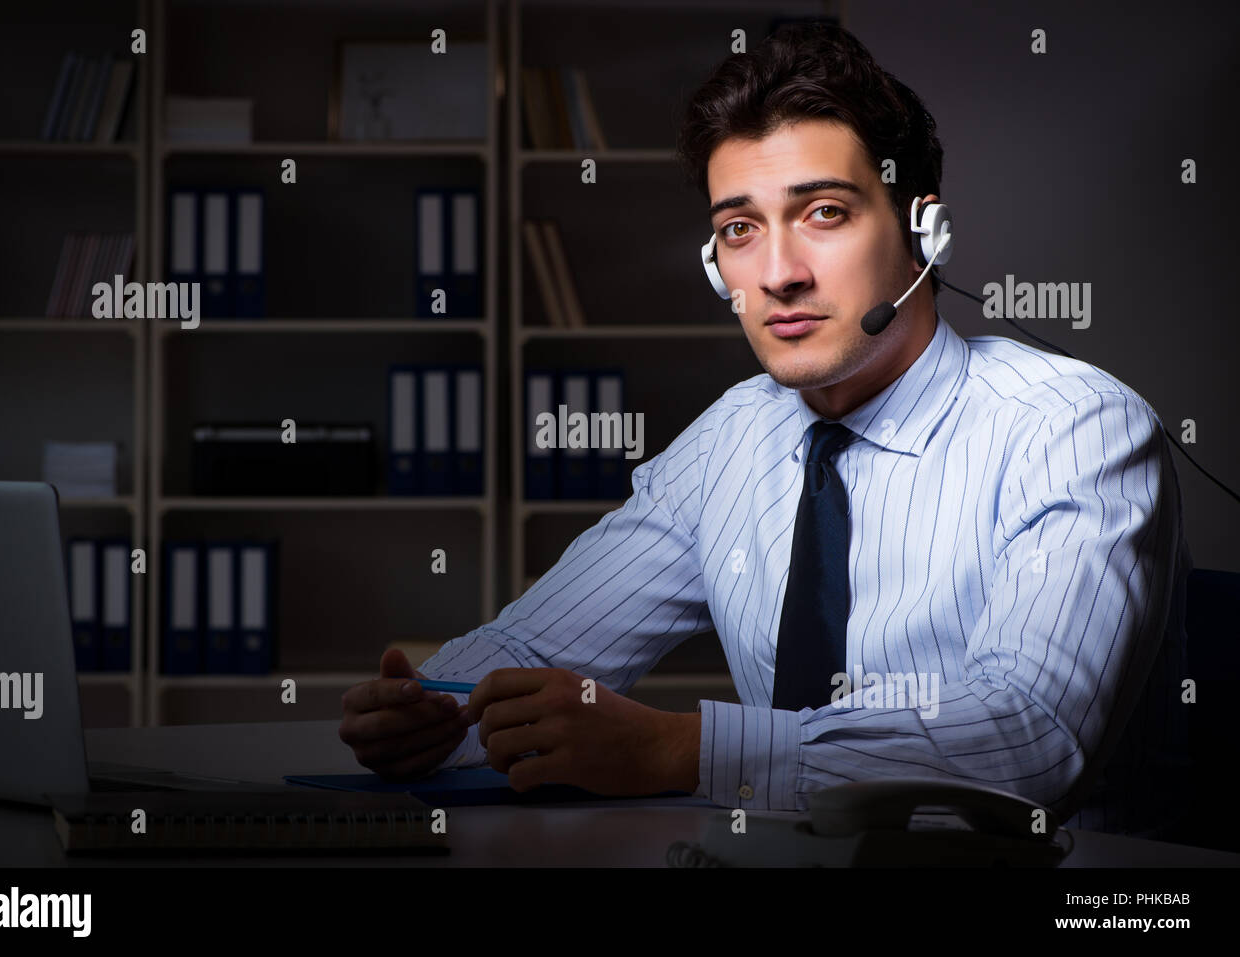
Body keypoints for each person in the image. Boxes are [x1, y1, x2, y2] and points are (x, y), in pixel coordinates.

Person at [339, 21, 1190, 836]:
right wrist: (435, 709)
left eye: (824, 212)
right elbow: (535, 642)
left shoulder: (1074, 428)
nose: (777, 275)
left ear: (924, 232)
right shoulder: (734, 437)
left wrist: (680, 748)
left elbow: (1028, 737)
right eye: (739, 230)